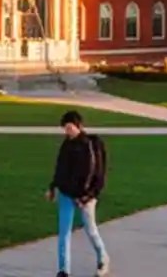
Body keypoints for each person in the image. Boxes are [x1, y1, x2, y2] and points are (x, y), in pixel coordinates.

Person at [48, 110, 111, 277]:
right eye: (65, 128)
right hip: (66, 194)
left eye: (70, 128)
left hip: (86, 197)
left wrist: (88, 196)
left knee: (90, 230)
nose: (67, 132)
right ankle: (64, 270)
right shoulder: (66, 144)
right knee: (64, 233)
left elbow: (97, 173)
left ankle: (103, 258)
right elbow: (60, 168)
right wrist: (53, 187)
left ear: (79, 126)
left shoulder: (91, 145)